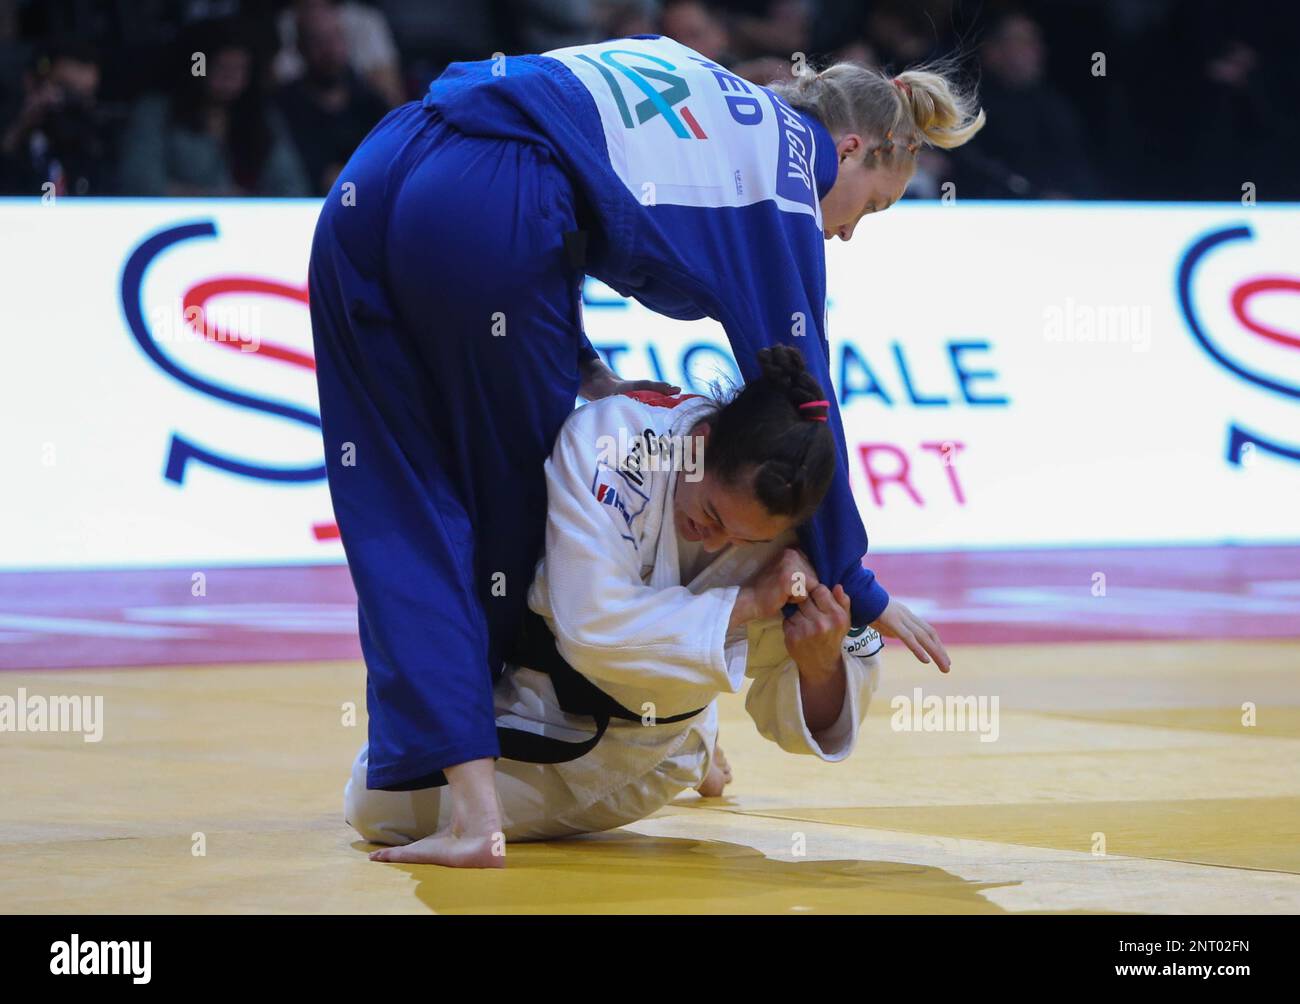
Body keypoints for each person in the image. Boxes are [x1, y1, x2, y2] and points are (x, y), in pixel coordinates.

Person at [308, 33, 979, 866]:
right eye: (870, 208)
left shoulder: (713, 93)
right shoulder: (786, 177)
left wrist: (580, 363)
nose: (845, 236)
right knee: (505, 509)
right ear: (849, 149)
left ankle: (468, 772)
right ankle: (475, 809)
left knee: (395, 502)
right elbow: (809, 401)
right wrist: (861, 585)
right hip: (494, 200)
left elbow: (543, 182)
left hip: (385, 164)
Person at [347, 347, 883, 859]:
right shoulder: (615, 441)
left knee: (373, 808)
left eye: (745, 540)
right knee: (389, 767)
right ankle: (697, 737)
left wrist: (818, 669)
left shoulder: (799, 539)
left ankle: (684, 752)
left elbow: (813, 707)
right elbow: (591, 627)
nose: (718, 542)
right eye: (714, 516)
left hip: (630, 751)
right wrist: (747, 602)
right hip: (549, 689)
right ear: (700, 440)